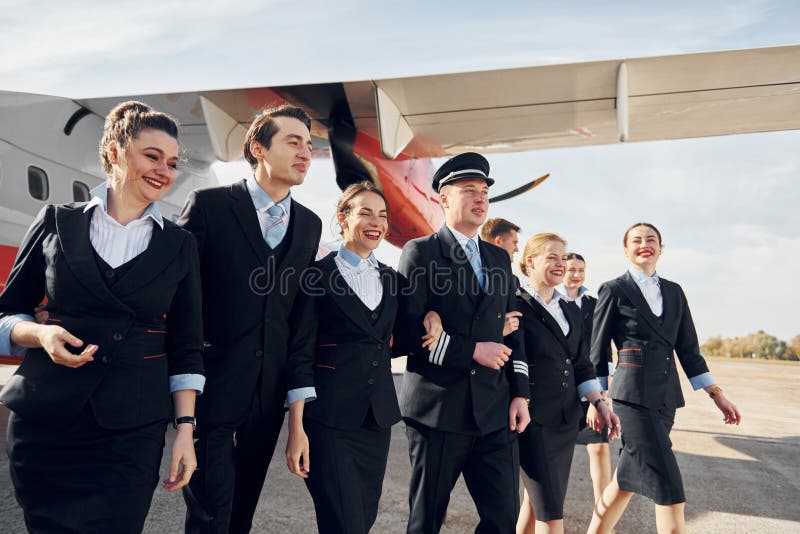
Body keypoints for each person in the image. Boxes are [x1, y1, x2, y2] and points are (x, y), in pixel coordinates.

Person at [0, 101, 203, 533]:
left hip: (131, 431)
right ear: (114, 152)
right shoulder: (56, 221)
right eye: (152, 156)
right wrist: (39, 334)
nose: (165, 171)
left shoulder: (180, 245)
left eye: (171, 162)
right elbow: (6, 312)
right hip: (46, 422)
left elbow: (186, 347)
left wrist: (185, 430)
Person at [178, 105, 322, 534]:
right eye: (293, 142)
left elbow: (299, 320)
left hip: (268, 395)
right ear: (258, 148)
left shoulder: (310, 225)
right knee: (210, 513)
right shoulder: (209, 205)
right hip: (214, 385)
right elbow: (178, 289)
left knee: (242, 514)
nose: (305, 154)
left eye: (309, 146)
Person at [284, 182, 442, 533]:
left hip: (376, 420)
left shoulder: (392, 280)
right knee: (345, 521)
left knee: (363, 518)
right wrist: (296, 428)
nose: (377, 222)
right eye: (365, 213)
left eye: (383, 215)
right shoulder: (316, 276)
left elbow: (405, 335)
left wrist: (431, 316)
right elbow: (299, 355)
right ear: (342, 218)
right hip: (327, 421)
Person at [394, 152, 531, 534]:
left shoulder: (499, 260)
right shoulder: (420, 252)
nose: (480, 198)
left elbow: (514, 333)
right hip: (438, 413)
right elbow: (407, 332)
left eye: (484, 191)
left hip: (494, 411)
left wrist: (521, 394)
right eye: (469, 190)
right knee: (426, 522)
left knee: (504, 520)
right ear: (443, 199)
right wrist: (472, 349)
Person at [587, 223, 742, 534]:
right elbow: (597, 351)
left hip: (666, 399)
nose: (644, 244)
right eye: (636, 240)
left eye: (651, 239)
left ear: (661, 248)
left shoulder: (674, 291)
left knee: (625, 480)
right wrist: (597, 399)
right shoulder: (613, 289)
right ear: (626, 250)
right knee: (669, 489)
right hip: (629, 400)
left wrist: (716, 393)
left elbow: (689, 349)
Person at [513, 234, 619, 534]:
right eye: (551, 257)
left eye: (563, 258)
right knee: (551, 513)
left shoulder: (570, 309)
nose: (560, 264)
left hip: (565, 419)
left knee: (534, 506)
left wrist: (600, 404)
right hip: (531, 420)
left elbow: (582, 365)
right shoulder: (515, 303)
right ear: (530, 261)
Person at [557, 252, 613, 506]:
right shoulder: (550, 302)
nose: (576, 275)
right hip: (559, 391)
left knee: (599, 449)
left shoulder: (594, 304)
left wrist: (599, 397)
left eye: (581, 269)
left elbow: (601, 350)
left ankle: (603, 519)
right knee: (554, 458)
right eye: (571, 269)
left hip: (591, 390)